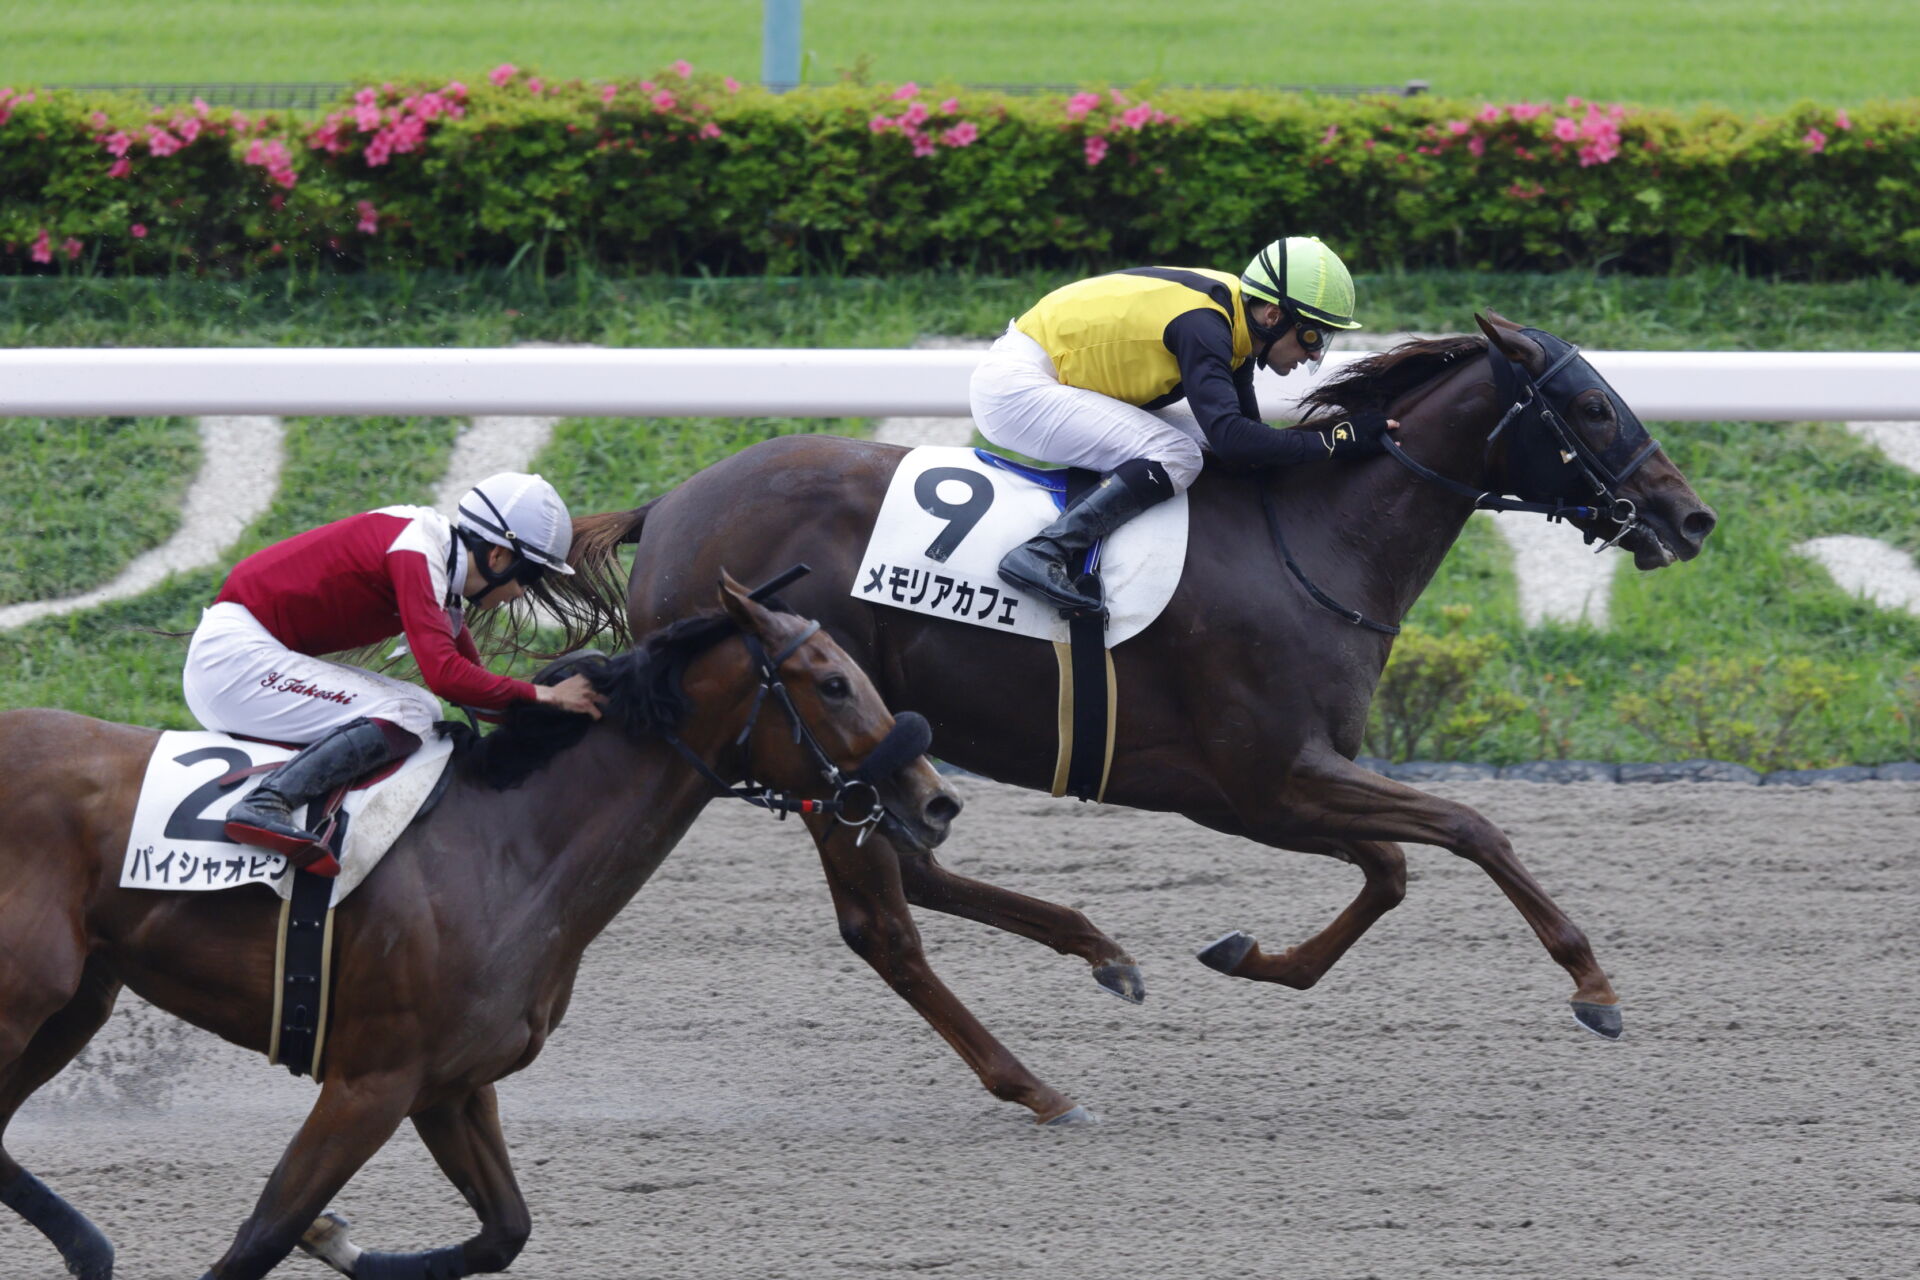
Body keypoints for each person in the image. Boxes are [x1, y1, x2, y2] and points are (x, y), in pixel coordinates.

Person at [182, 471, 606, 875]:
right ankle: (266, 803)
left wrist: (546, 712)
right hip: (232, 661)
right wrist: (545, 696)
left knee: (419, 708)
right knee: (411, 708)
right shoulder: (417, 550)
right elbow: (444, 675)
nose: (520, 593)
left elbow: (471, 690)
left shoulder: (436, 565)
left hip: (246, 656)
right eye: (528, 579)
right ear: (499, 556)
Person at [970, 235, 1398, 614]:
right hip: (1017, 389)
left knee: (1200, 444)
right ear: (1272, 315)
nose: (1313, 355)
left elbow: (1245, 443)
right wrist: (1337, 441)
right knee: (1177, 455)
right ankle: (1044, 551)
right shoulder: (1205, 327)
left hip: (1053, 373)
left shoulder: (1233, 320)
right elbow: (1236, 441)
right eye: (1313, 337)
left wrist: (1336, 445)